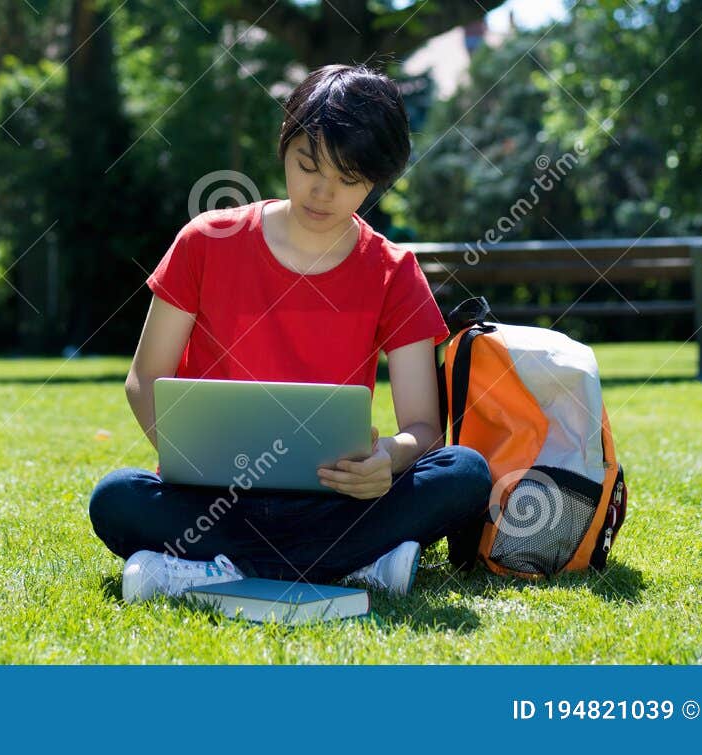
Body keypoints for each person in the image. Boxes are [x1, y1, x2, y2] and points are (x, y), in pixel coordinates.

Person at [87, 65, 493, 602]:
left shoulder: (393, 271)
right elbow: (145, 378)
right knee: (115, 497)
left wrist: (386, 461)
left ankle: (211, 568)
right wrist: (190, 454)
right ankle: (350, 565)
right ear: (285, 146)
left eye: (349, 180)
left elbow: (422, 427)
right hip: (211, 500)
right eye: (308, 166)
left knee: (464, 471)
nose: (323, 193)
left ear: (376, 181)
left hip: (337, 500)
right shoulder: (207, 241)